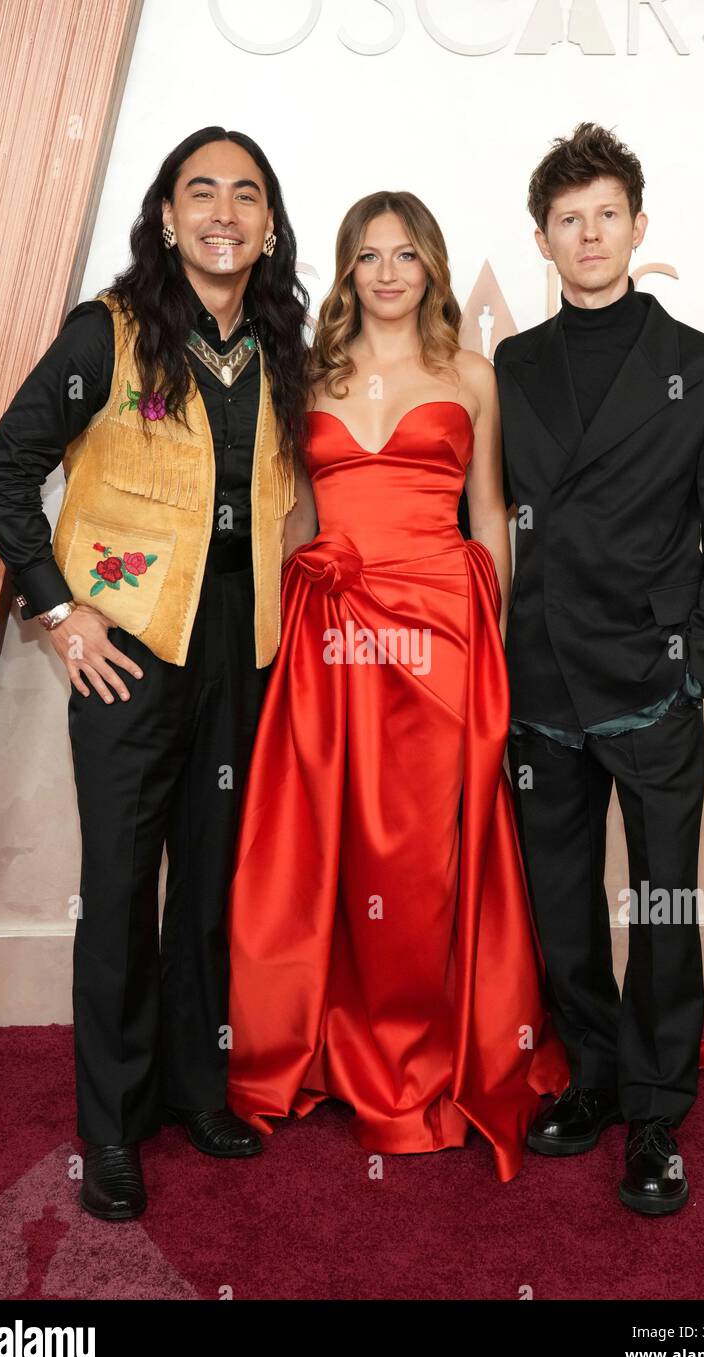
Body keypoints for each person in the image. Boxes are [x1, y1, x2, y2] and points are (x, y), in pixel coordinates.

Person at [0, 127, 310, 1220]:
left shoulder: (275, 341)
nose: (223, 211)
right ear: (166, 216)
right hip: (127, 650)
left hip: (236, 643)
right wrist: (60, 611)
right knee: (121, 891)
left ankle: (194, 1090)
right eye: (199, 191)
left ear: (267, 224)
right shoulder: (105, 332)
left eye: (244, 195)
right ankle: (113, 1126)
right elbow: (5, 468)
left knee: (210, 882)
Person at [223, 192, 569, 1182]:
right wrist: (275, 642)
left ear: (430, 266)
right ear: (345, 270)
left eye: (404, 254)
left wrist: (490, 642)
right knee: (331, 843)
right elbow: (292, 519)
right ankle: (331, 1042)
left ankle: (424, 1054)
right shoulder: (307, 376)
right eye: (367, 255)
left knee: (423, 856)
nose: (385, 271)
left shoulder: (471, 374)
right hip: (328, 637)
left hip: (438, 637)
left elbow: (491, 512)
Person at [495, 123, 704, 1214]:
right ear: (543, 240)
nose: (589, 232)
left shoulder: (701, 370)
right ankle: (594, 1077)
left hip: (650, 688)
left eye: (606, 213)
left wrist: (694, 668)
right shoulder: (511, 366)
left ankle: (654, 1116)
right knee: (561, 908)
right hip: (542, 692)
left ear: (636, 225)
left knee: (660, 906)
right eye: (568, 219)